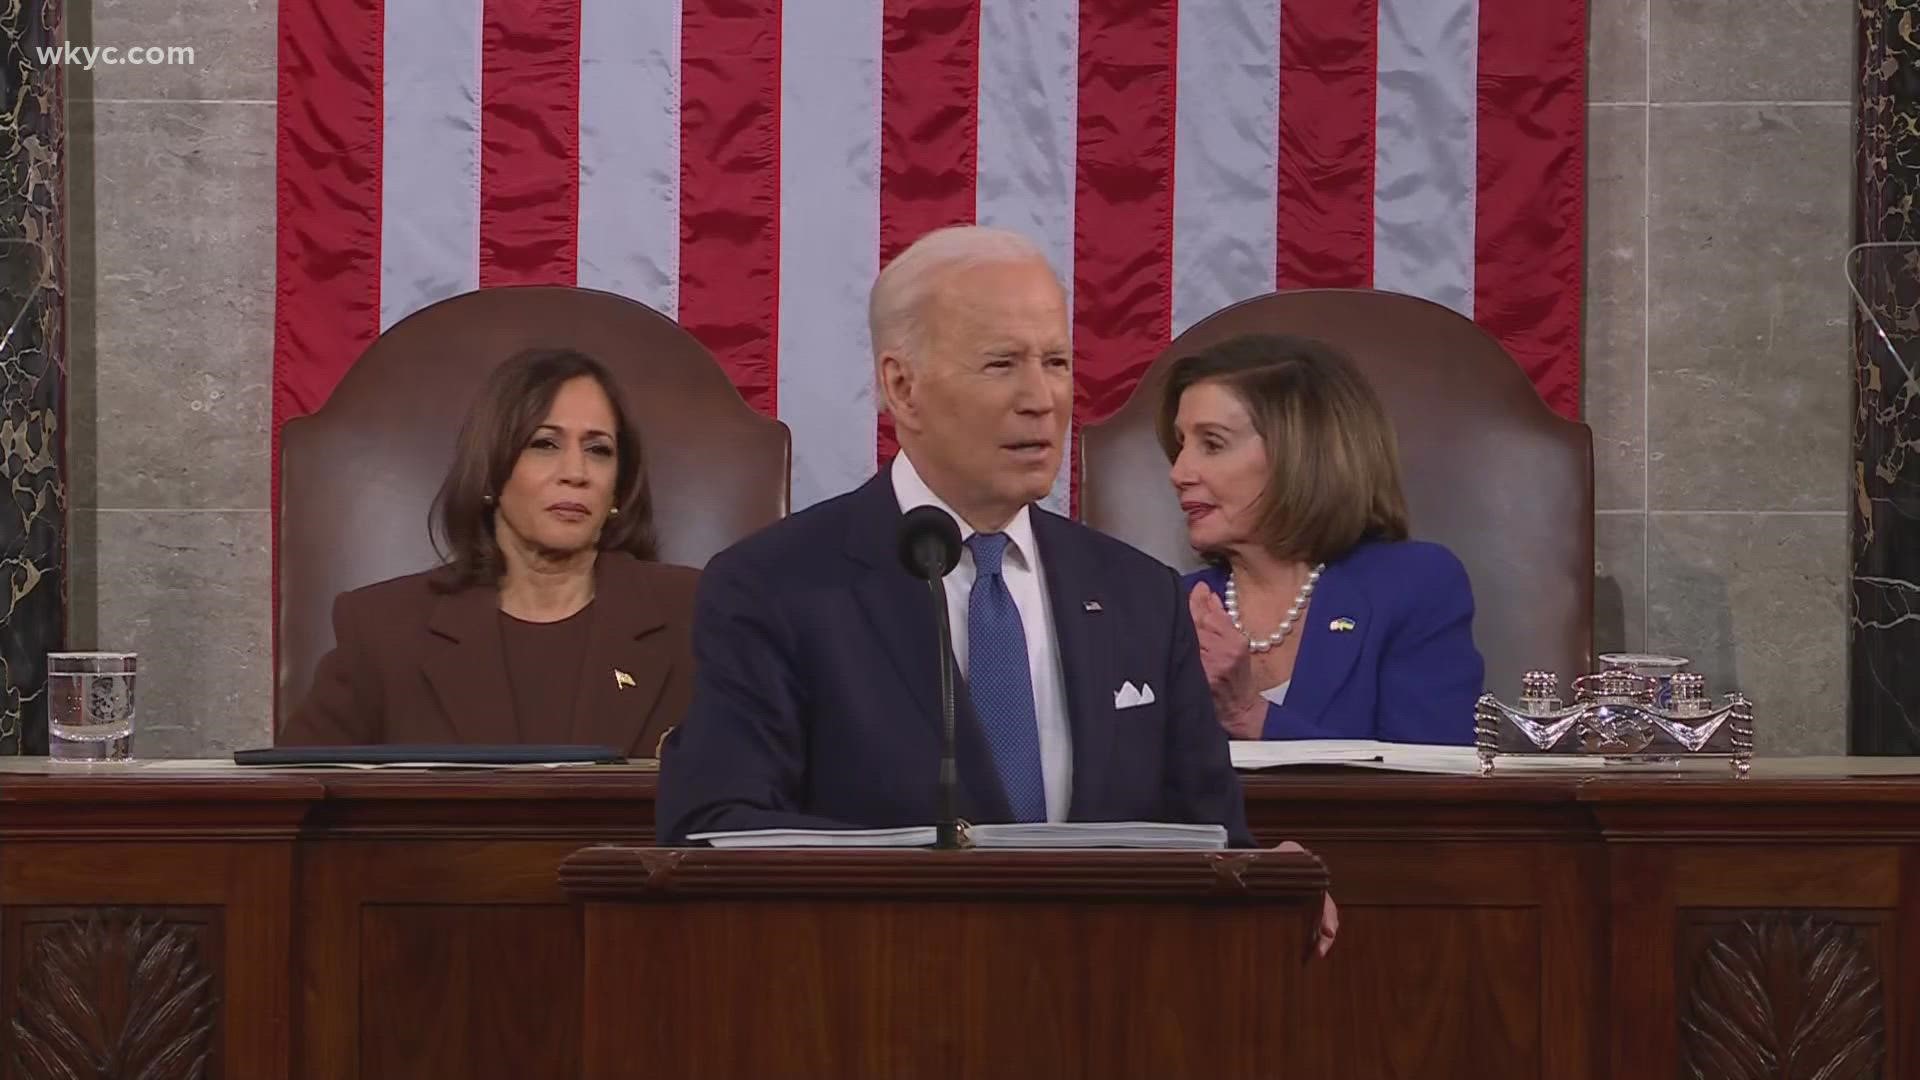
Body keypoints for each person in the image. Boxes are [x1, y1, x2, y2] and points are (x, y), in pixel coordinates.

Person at [656, 225, 1253, 848]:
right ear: (902, 387)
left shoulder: (1142, 596)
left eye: (1055, 363)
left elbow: (1217, 842)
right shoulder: (773, 587)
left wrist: (1274, 882)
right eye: (1002, 364)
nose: (1042, 399)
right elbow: (715, 826)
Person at [279, 347, 699, 757]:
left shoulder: (696, 614)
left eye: (598, 450)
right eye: (544, 444)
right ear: (490, 470)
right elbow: (296, 788)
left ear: (617, 487)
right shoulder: (381, 630)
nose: (576, 473)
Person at [1162, 333, 1484, 744]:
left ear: (1300, 454)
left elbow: (1433, 776)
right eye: (1181, 445)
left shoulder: (1413, 586)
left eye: (1212, 443)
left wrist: (1250, 715)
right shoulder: (1172, 607)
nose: (1179, 473)